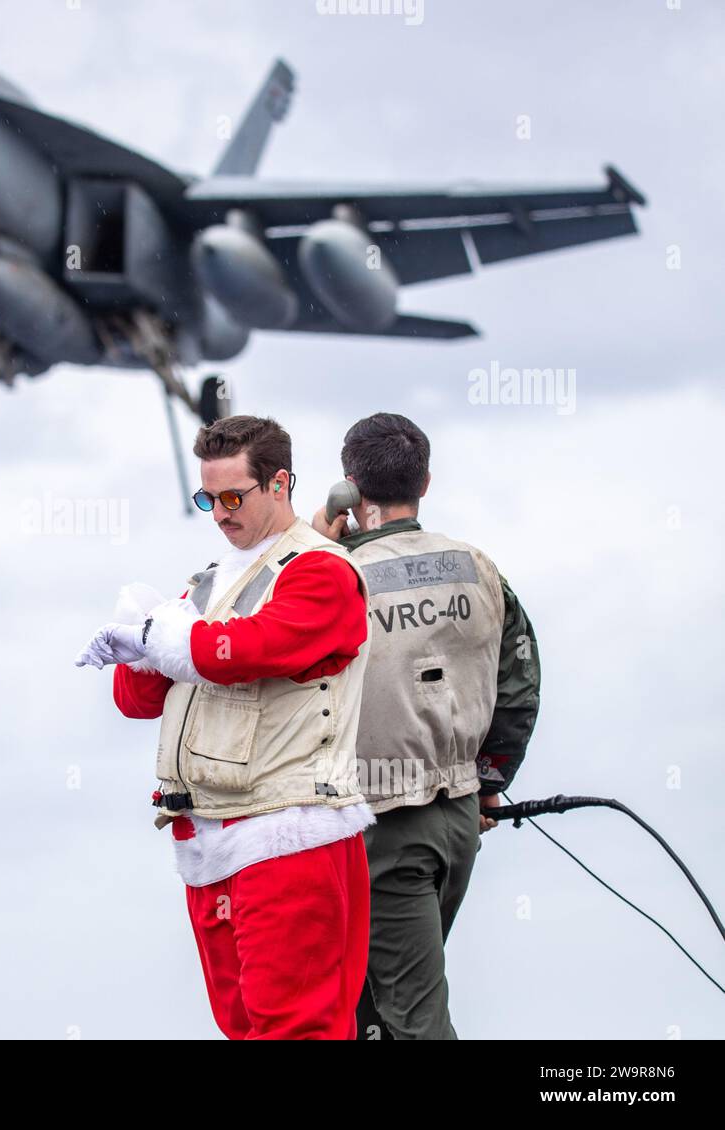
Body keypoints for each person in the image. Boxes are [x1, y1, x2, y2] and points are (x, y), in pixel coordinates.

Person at [76, 415, 374, 1039]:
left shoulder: (320, 571)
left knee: (297, 1029)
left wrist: (160, 636)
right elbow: (137, 697)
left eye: (233, 497)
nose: (218, 513)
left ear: (280, 485)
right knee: (245, 1027)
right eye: (207, 498)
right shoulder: (211, 584)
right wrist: (144, 641)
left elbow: (242, 651)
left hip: (289, 834)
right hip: (212, 839)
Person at [311, 412, 541, 1040]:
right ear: (426, 481)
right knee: (373, 1011)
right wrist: (489, 782)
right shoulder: (477, 567)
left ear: (351, 491)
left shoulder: (332, 577)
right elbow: (519, 683)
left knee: (411, 1017)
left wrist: (316, 547)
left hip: (382, 825)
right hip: (459, 818)